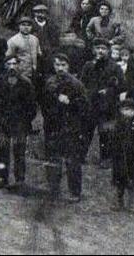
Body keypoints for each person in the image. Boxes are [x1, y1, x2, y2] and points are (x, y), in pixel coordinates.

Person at [40, 53, 89, 202]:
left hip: (70, 127)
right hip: (53, 126)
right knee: (53, 159)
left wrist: (70, 102)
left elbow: (85, 107)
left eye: (63, 65)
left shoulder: (76, 84)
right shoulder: (49, 82)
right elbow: (44, 104)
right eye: (57, 65)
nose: (60, 68)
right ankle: (53, 189)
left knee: (72, 160)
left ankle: (75, 192)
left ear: (68, 66)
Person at [0, 56, 36, 190]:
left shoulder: (26, 83)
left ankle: (19, 179)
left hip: (19, 123)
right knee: (3, 151)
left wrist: (25, 121)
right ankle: (2, 177)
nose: (12, 67)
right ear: (5, 66)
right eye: (9, 64)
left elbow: (32, 106)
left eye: (14, 64)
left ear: (19, 65)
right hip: (2, 123)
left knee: (19, 152)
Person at [80, 38, 124, 168]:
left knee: (106, 133)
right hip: (91, 104)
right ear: (94, 50)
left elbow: (123, 85)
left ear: (108, 51)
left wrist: (109, 91)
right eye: (98, 48)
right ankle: (80, 156)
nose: (100, 51)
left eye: (103, 49)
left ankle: (106, 159)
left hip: (107, 105)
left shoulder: (114, 67)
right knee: (86, 130)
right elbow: (82, 83)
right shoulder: (88, 65)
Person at [111, 98, 134, 211]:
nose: (128, 112)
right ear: (121, 110)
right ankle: (119, 202)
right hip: (120, 157)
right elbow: (113, 140)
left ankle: (132, 204)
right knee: (119, 181)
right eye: (125, 110)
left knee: (132, 181)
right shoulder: (118, 124)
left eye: (131, 110)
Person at [6, 16, 41, 80]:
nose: (26, 27)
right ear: (19, 26)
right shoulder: (13, 40)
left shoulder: (35, 39)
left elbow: (38, 54)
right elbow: (8, 57)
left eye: (28, 25)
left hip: (33, 73)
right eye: (23, 25)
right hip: (20, 73)